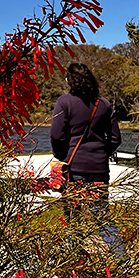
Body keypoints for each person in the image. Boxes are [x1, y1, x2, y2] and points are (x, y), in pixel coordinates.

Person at [50, 62, 124, 258]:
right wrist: (101, 153)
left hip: (73, 170)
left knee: (72, 217)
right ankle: (122, 261)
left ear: (70, 81)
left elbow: (57, 135)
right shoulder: (104, 104)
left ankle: (73, 260)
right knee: (102, 216)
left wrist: (61, 156)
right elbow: (116, 138)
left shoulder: (64, 102)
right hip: (99, 169)